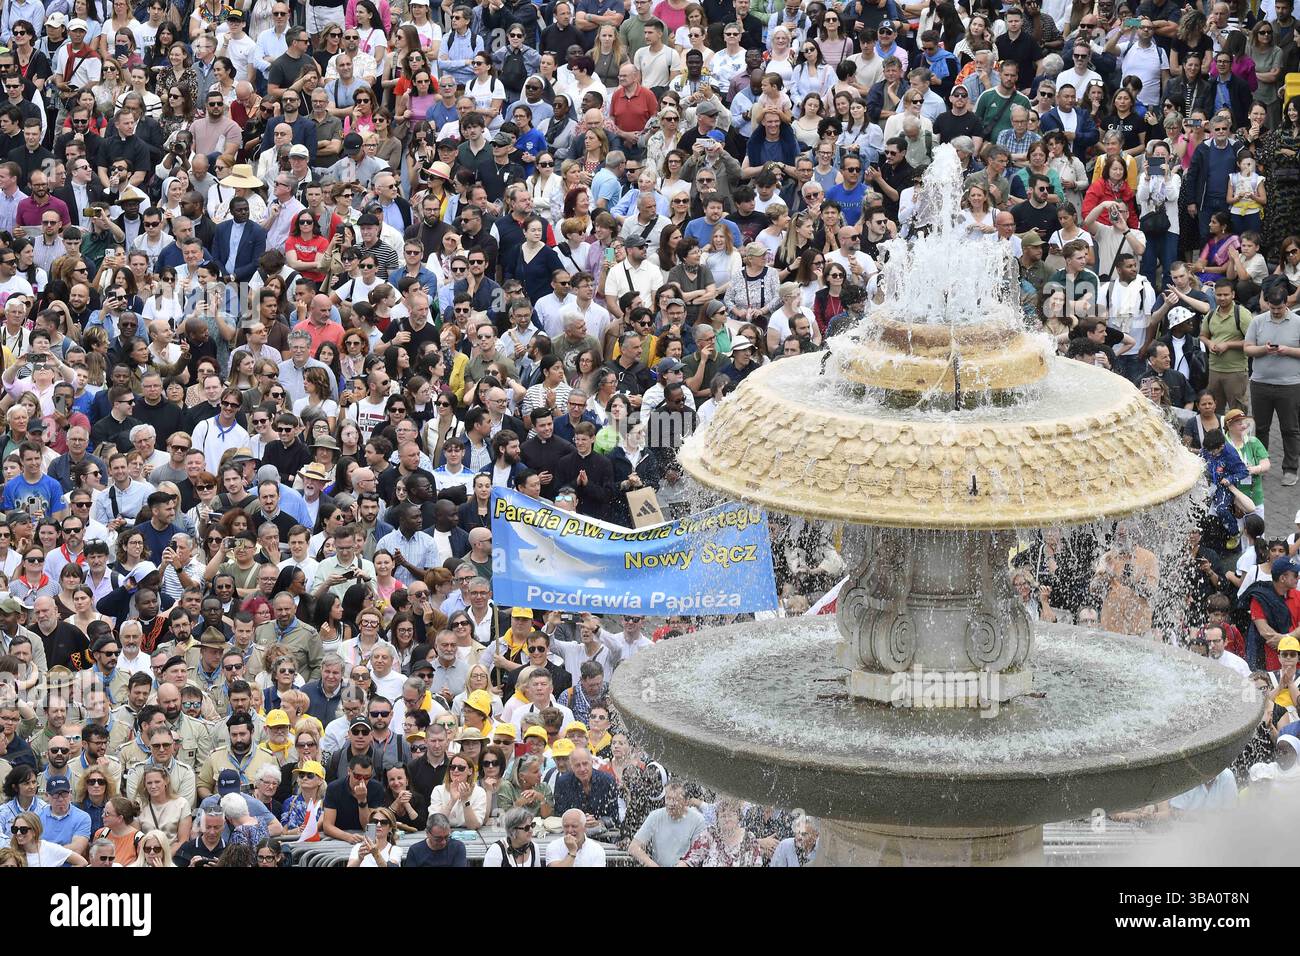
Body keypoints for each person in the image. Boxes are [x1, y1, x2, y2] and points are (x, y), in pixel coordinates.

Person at [401, 812, 467, 866]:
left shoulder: (457, 847)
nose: (443, 842)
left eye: (447, 837)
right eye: (438, 839)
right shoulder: (415, 851)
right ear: (427, 833)